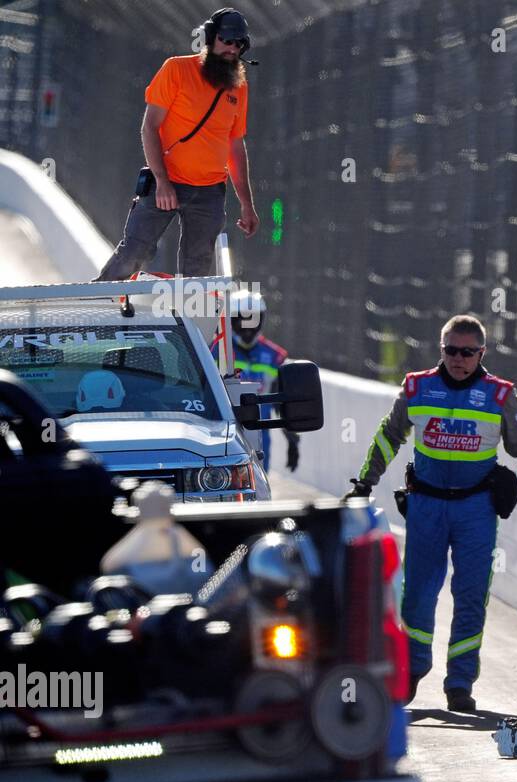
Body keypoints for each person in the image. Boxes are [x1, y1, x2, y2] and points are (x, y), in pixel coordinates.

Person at [348, 315, 517, 713]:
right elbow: (389, 436)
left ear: (482, 353)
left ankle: (459, 682)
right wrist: (364, 482)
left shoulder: (500, 395)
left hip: (476, 511)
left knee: (470, 597)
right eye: (451, 351)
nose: (459, 359)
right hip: (426, 507)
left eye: (468, 352)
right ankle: (413, 670)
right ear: (440, 348)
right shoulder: (416, 386)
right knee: (417, 594)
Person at [95, 8, 259, 281]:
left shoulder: (238, 87)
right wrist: (162, 182)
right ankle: (96, 308)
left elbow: (235, 145)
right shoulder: (177, 70)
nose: (232, 48)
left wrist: (247, 204)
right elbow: (150, 127)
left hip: (210, 192)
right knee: (135, 252)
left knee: (197, 268)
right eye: (226, 40)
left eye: (239, 43)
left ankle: (183, 321)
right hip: (166, 183)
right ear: (210, 38)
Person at [212, 289, 299, 472]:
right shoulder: (214, 351)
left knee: (259, 494)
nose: (248, 328)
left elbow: (283, 404)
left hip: (260, 438)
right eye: (242, 320)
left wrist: (293, 439)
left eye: (254, 319)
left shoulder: (275, 356)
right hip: (220, 435)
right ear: (231, 320)